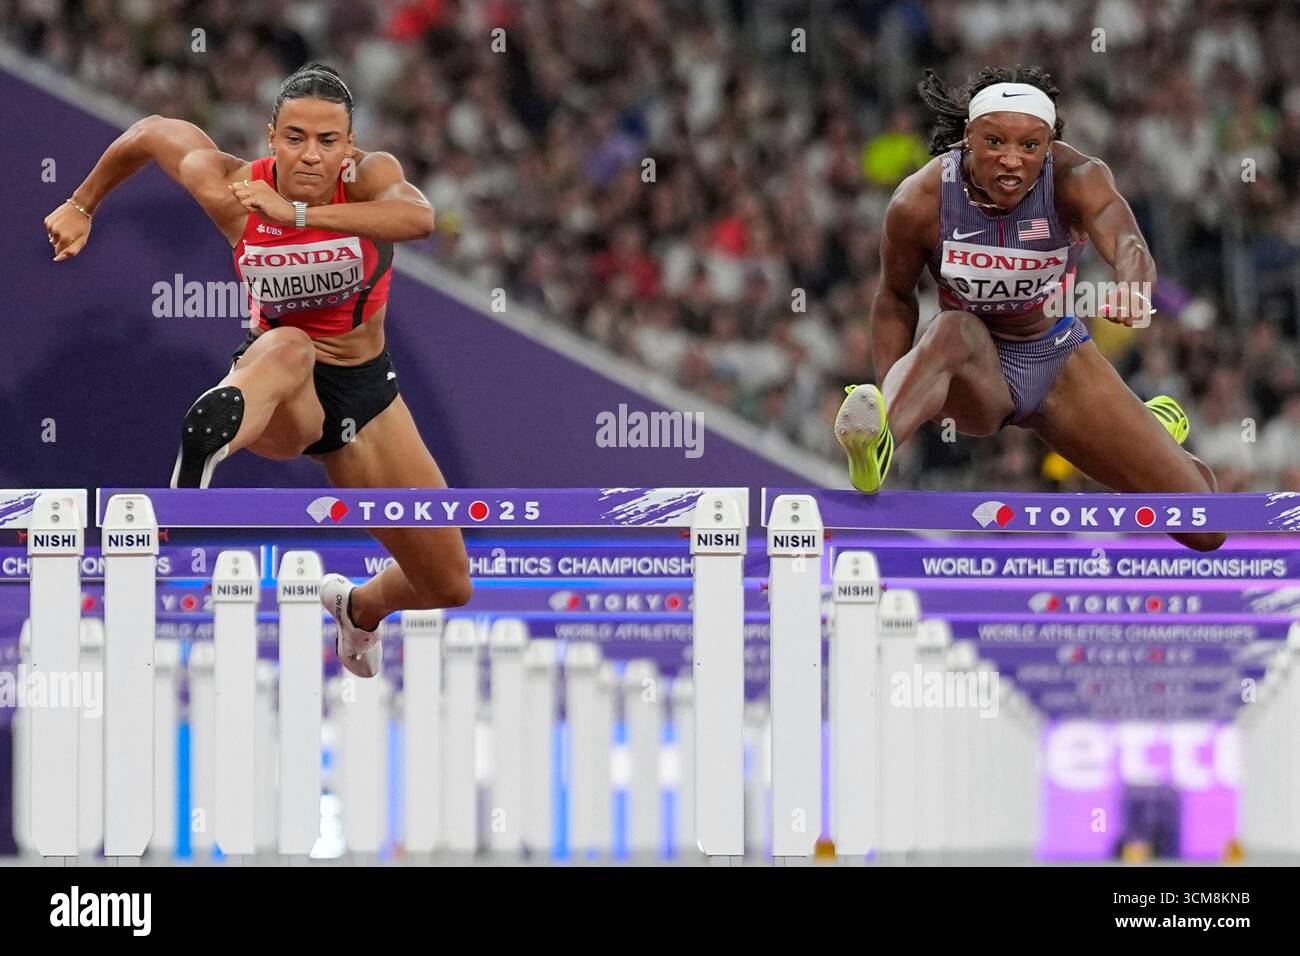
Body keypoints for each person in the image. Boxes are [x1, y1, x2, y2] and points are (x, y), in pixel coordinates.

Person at [43, 63, 473, 675]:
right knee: (289, 345)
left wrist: (297, 216)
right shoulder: (231, 187)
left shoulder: (372, 178)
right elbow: (151, 132)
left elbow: (419, 219)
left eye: (327, 141)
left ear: (349, 147)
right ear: (271, 137)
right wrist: (80, 204)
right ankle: (203, 453)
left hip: (367, 395)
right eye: (295, 138)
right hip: (281, 387)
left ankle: (358, 609)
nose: (311, 155)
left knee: (448, 584)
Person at [835, 66, 1225, 552]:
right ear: (967, 137)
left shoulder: (1077, 178)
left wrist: (1133, 287)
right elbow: (895, 296)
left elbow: (1127, 241)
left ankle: (1150, 426)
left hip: (1057, 361)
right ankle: (879, 440)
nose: (1011, 160)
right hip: (975, 371)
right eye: (994, 142)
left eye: (1030, 146)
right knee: (953, 328)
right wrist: (889, 391)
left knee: (1204, 526)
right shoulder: (920, 200)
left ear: (1050, 145)